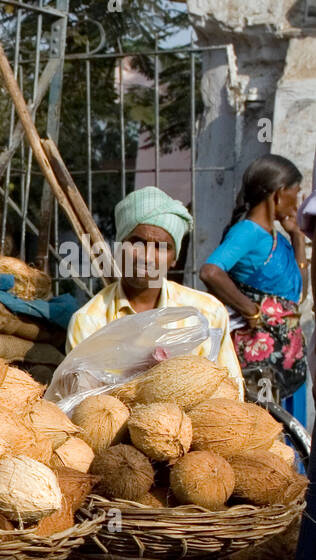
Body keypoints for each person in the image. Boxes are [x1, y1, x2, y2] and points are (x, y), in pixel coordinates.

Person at [67, 186, 244, 396]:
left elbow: (231, 394)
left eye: (161, 246)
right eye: (137, 242)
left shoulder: (207, 313)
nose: (147, 257)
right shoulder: (89, 322)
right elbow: (84, 408)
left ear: (174, 258)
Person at [200, 155, 309, 424]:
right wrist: (250, 310)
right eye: (295, 193)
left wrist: (296, 235)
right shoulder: (247, 232)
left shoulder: (276, 237)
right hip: (260, 361)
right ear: (279, 193)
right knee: (265, 430)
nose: (298, 201)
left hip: (287, 358)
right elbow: (210, 271)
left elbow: (299, 294)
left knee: (291, 436)